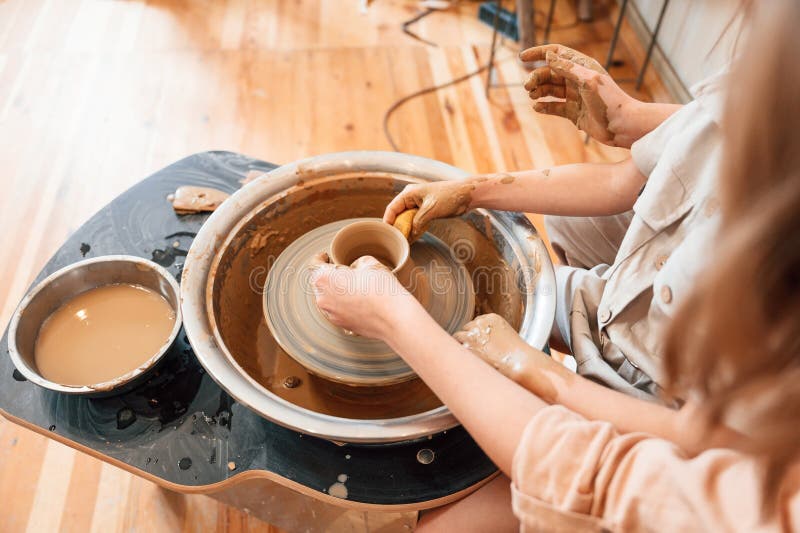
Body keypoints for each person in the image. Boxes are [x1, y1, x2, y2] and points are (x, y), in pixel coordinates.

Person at [309, 0, 800, 529]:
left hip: (662, 421)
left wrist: (534, 371)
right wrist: (475, 190)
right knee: (501, 281)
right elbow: (625, 180)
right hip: (615, 309)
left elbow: (695, 449)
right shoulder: (763, 81)